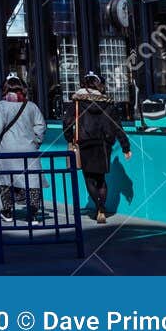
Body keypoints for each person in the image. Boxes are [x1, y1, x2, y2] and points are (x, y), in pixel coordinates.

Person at [64, 71, 132, 224]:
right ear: (98, 85)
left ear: (84, 84)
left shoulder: (77, 103)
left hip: (85, 143)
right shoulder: (108, 104)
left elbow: (67, 123)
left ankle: (99, 206)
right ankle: (102, 208)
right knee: (101, 179)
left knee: (89, 179)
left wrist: (70, 138)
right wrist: (125, 147)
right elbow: (117, 126)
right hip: (104, 144)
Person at [0, 75, 47, 221]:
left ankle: (7, 211)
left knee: (6, 180)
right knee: (32, 180)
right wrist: (36, 141)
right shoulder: (31, 106)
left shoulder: (1, 106)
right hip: (29, 150)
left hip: (7, 151)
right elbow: (41, 126)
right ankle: (33, 213)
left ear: (6, 89)